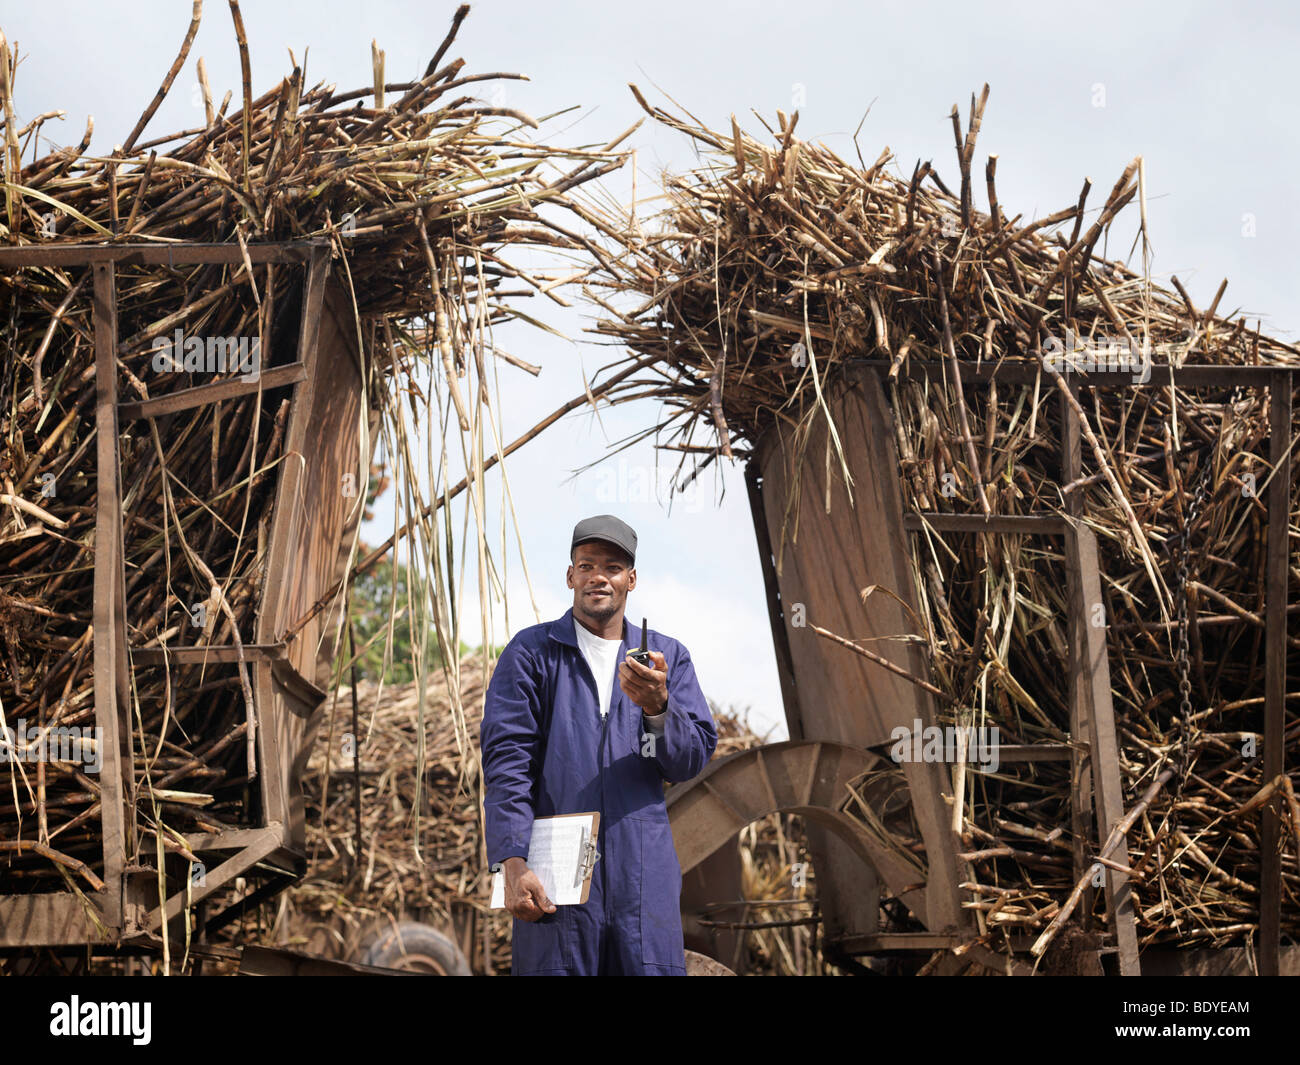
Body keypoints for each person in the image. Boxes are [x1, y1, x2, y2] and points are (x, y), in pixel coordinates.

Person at [481, 514, 717, 975]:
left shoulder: (667, 659)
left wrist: (658, 707)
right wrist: (511, 860)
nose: (598, 577)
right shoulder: (531, 654)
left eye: (611, 567)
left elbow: (691, 760)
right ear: (571, 576)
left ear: (631, 579)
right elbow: (507, 763)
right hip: (555, 878)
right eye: (586, 565)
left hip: (642, 876)